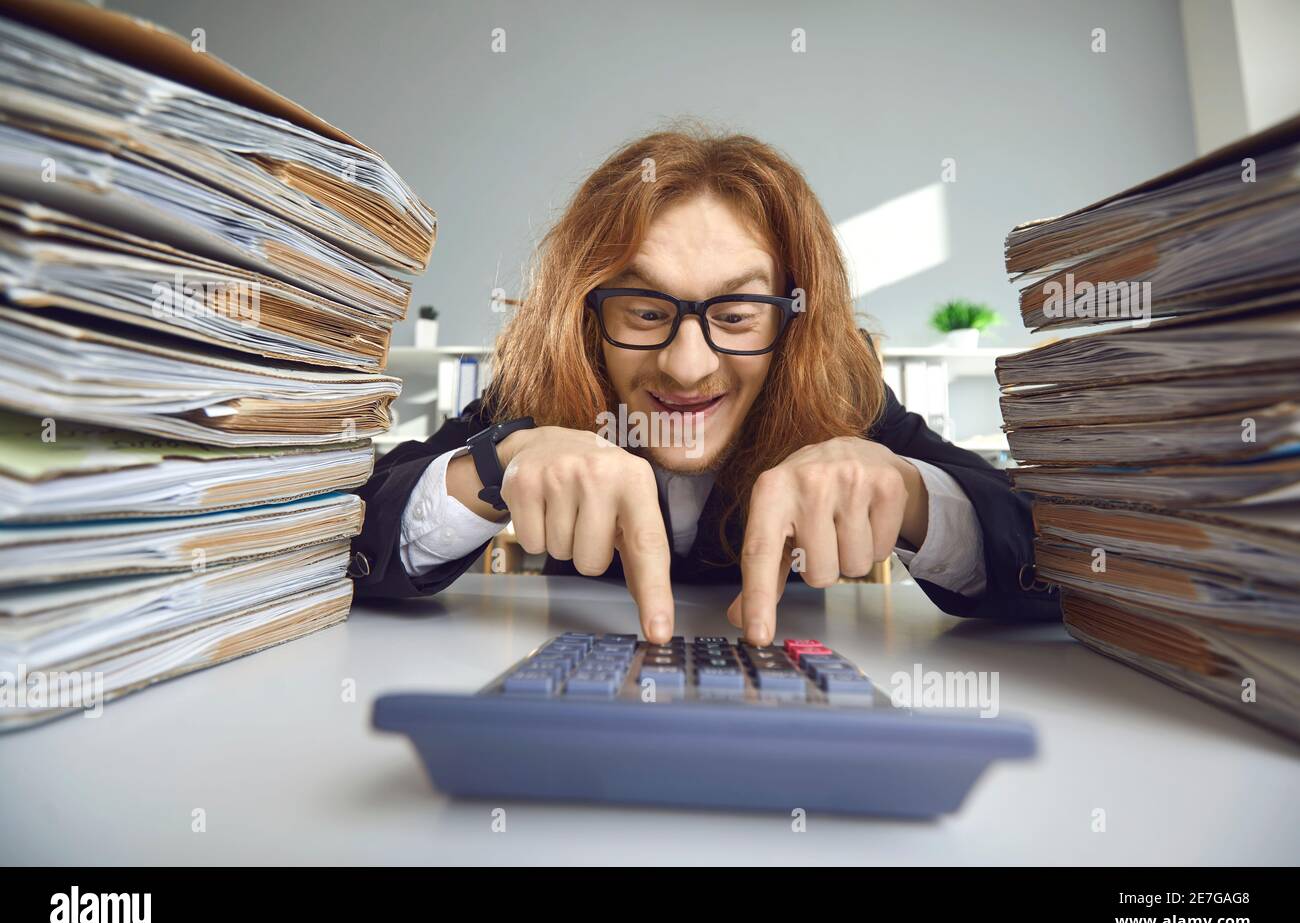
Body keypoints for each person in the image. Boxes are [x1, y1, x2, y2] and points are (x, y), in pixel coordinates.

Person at [349, 124, 1061, 645]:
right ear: (588, 316)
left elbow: (1052, 560)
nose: (688, 365)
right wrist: (495, 466)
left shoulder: (844, 397)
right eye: (646, 310)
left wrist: (911, 495)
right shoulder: (537, 398)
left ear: (794, 319)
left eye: (739, 313)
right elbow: (347, 531)